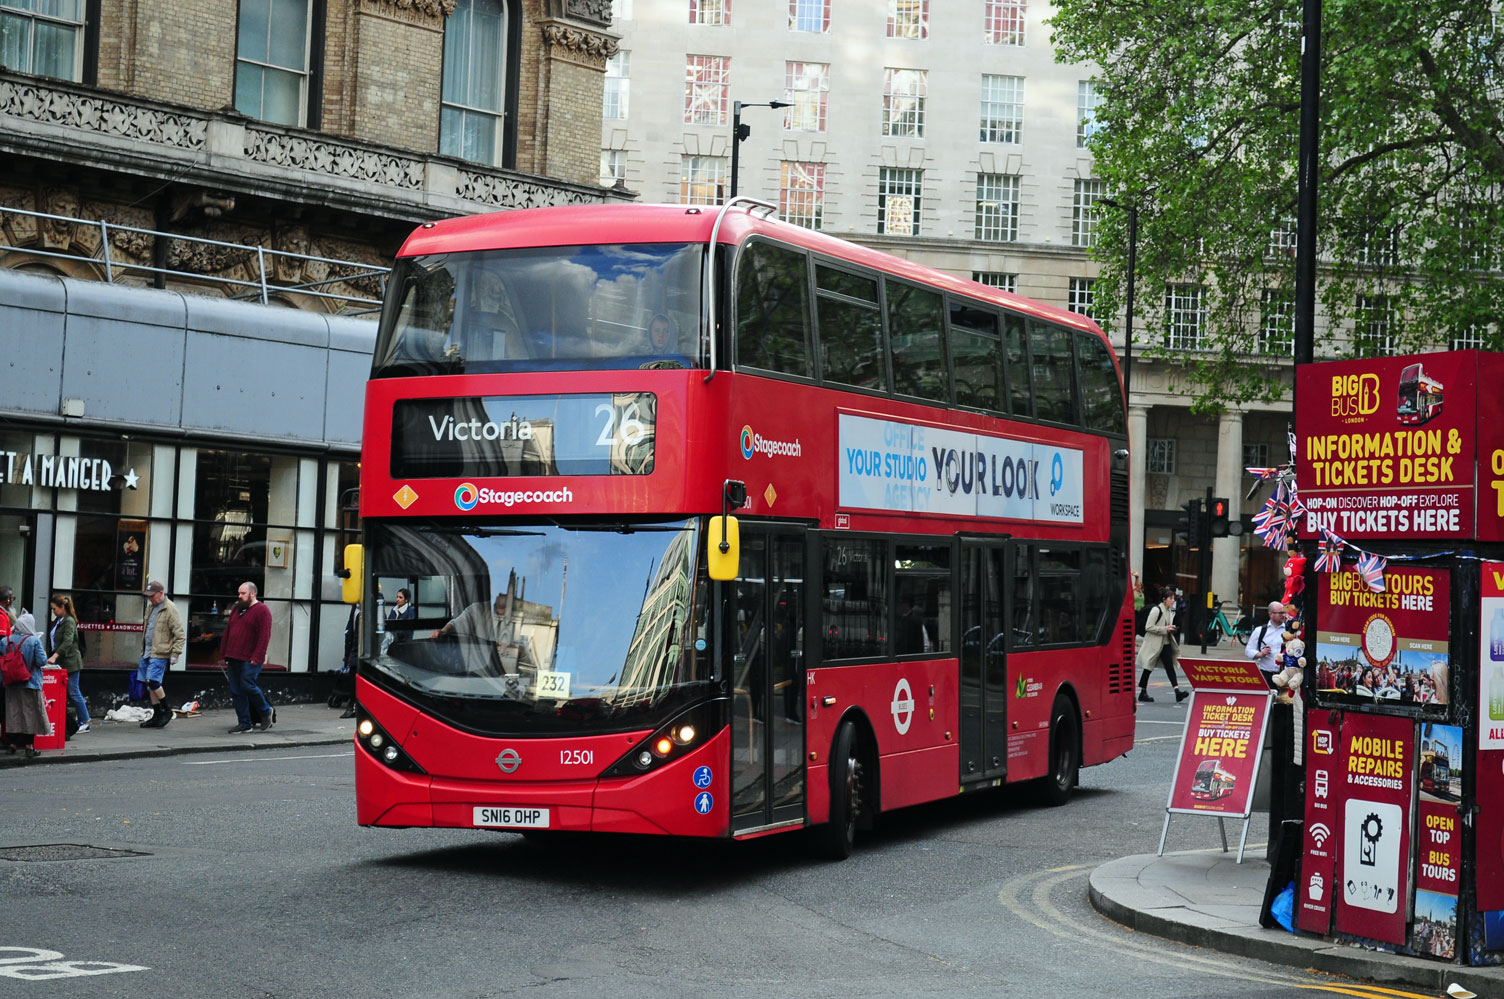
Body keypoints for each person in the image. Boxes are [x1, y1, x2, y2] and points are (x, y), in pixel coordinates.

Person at [219, 581, 275, 733]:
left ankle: (265, 711)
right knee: (236, 691)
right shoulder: (237, 609)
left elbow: (264, 636)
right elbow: (228, 631)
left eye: (243, 593)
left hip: (250, 657)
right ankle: (244, 723)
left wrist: (258, 656)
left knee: (247, 685)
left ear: (252, 593)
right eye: (239, 593)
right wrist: (223, 653)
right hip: (233, 655)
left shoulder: (262, 610)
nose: (239, 596)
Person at [2, 612, 52, 758]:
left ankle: (11, 745)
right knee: (30, 715)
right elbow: (42, 661)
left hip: (10, 683)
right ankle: (29, 747)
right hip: (30, 683)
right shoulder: (33, 641)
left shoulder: (5, 640)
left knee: (12, 713)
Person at [138, 580, 185, 729]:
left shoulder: (170, 609)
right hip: (148, 650)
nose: (150, 599)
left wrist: (175, 653)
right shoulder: (151, 607)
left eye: (152, 596)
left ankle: (166, 709)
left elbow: (180, 634)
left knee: (152, 681)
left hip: (160, 651)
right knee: (149, 683)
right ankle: (157, 714)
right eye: (148, 596)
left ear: (161, 593)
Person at [1137, 588, 1188, 702]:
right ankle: (1143, 692)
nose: (1173, 601)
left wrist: (1171, 629)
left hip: (1165, 643)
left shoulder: (1169, 611)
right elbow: (1148, 627)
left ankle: (1177, 692)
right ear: (1164, 599)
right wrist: (1165, 629)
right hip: (1154, 644)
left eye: (1173, 598)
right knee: (1148, 668)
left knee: (1170, 667)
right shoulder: (1156, 610)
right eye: (1171, 598)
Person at [46, 594, 87, 733]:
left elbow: (68, 641)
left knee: (74, 691)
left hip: (71, 661)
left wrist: (54, 656)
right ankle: (69, 720)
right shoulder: (59, 620)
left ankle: (85, 721)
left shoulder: (68, 621)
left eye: (54, 609)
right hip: (62, 661)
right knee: (67, 692)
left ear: (62, 607)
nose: (53, 612)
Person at [1245, 599, 1289, 688]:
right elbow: (1248, 650)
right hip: (1266, 674)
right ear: (1271, 614)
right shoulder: (1260, 631)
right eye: (1280, 613)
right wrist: (1260, 654)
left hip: (1285, 674)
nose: (1283, 615)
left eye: (1284, 612)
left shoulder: (1289, 630)